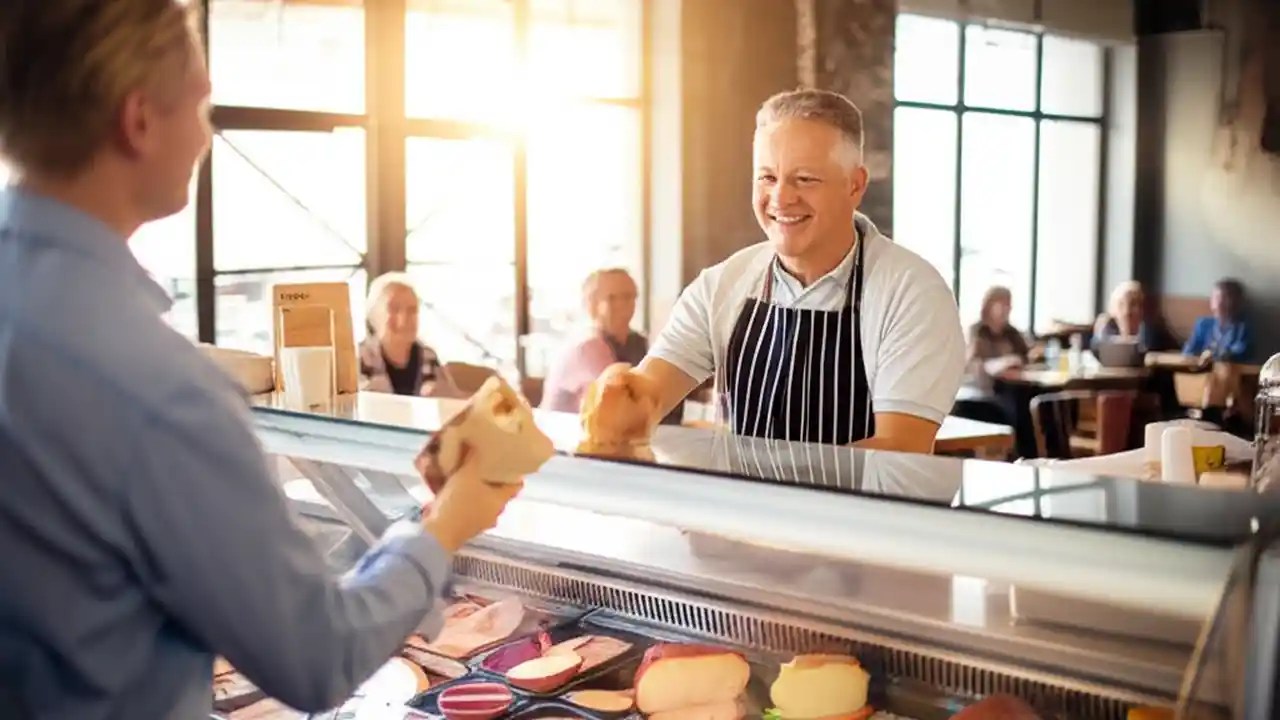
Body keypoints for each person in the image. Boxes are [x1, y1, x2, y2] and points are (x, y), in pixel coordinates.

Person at [0, 3, 520, 717]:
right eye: (203, 103)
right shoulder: (159, 387)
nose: (208, 134)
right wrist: (449, 523)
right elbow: (316, 659)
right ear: (139, 119)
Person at [618, 88, 965, 453]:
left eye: (805, 179)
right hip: (747, 508)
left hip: (861, 510)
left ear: (855, 185)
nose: (781, 198)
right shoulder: (722, 285)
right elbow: (648, 394)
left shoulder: (912, 294)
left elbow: (899, 451)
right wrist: (622, 396)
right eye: (767, 177)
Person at [541, 268, 681, 424]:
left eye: (628, 297)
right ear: (592, 305)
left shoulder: (636, 341)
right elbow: (625, 401)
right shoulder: (588, 345)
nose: (622, 305)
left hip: (608, 437)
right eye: (612, 298)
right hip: (566, 440)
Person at [360, 272, 463, 398]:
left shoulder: (428, 357)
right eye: (394, 309)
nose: (403, 319)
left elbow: (452, 403)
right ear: (373, 316)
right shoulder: (360, 360)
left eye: (412, 310)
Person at [965, 286, 1030, 387]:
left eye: (1008, 305)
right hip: (983, 387)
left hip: (1013, 385)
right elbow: (973, 363)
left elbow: (1024, 357)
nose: (1007, 309)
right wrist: (1002, 363)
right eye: (1002, 305)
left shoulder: (1012, 332)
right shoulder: (978, 331)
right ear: (989, 306)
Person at [1092, 281, 1173, 353]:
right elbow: (1098, 348)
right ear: (1115, 309)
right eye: (1132, 304)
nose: (1137, 310)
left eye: (1140, 304)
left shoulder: (1153, 332)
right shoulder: (1107, 325)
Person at [1183, 278, 1252, 362]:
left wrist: (1216, 356)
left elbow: (1240, 352)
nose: (1219, 303)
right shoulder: (1203, 324)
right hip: (1201, 368)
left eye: (1226, 298)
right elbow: (1189, 350)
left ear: (1237, 302)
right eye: (1216, 298)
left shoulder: (1242, 327)